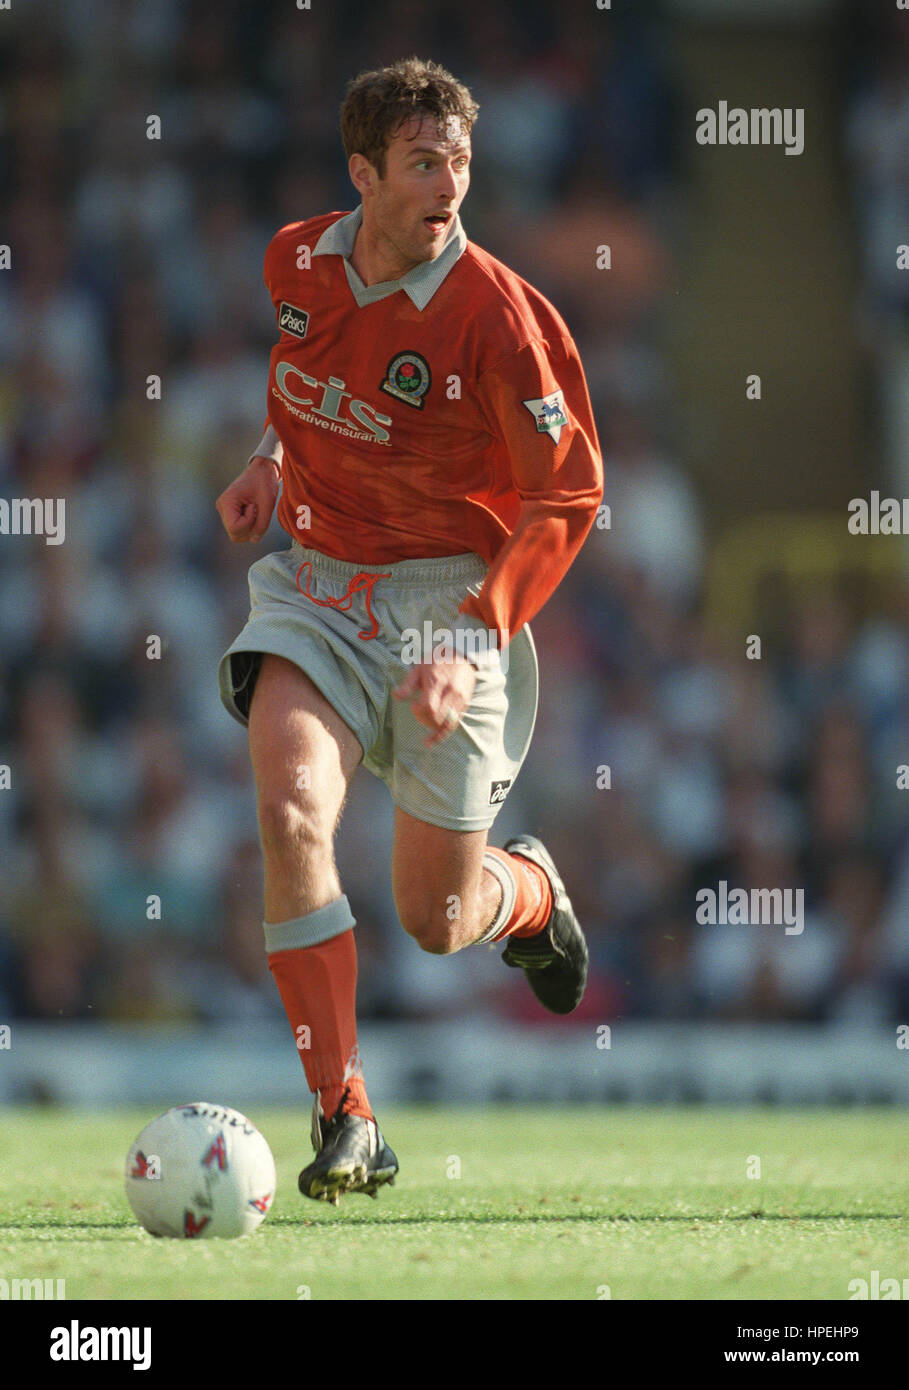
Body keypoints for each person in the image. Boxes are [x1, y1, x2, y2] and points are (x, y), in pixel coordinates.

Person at [215, 57, 603, 1205]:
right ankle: (346, 1113)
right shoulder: (294, 259)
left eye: (461, 163)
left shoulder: (502, 319)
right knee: (289, 811)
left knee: (437, 922)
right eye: (426, 162)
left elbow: (568, 499)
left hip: (452, 600)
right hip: (320, 584)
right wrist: (270, 459)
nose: (449, 184)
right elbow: (304, 374)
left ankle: (527, 891)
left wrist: (478, 632)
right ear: (364, 173)